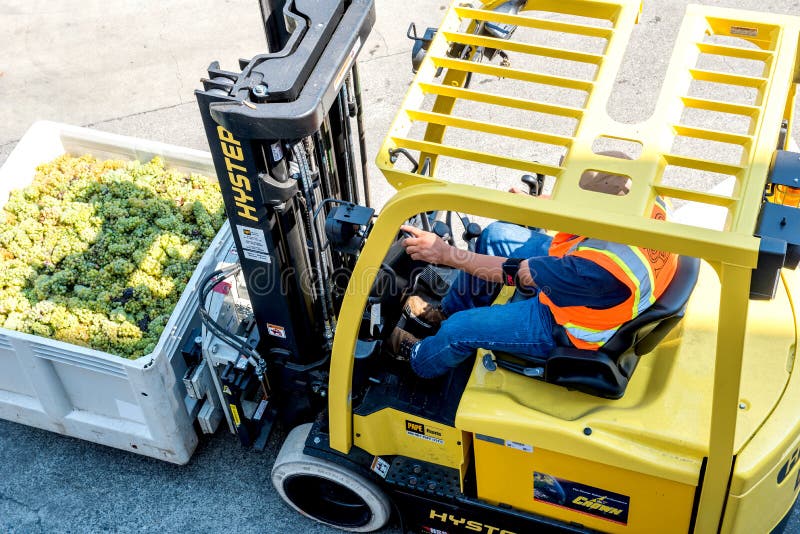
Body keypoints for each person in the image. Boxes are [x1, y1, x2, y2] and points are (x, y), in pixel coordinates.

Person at [389, 165, 677, 379]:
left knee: (458, 330)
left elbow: (512, 272)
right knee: (495, 236)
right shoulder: (642, 195)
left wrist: (445, 254)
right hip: (589, 278)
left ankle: (420, 359)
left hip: (567, 326)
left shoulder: (597, 270)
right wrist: (531, 205)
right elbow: (582, 200)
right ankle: (448, 311)